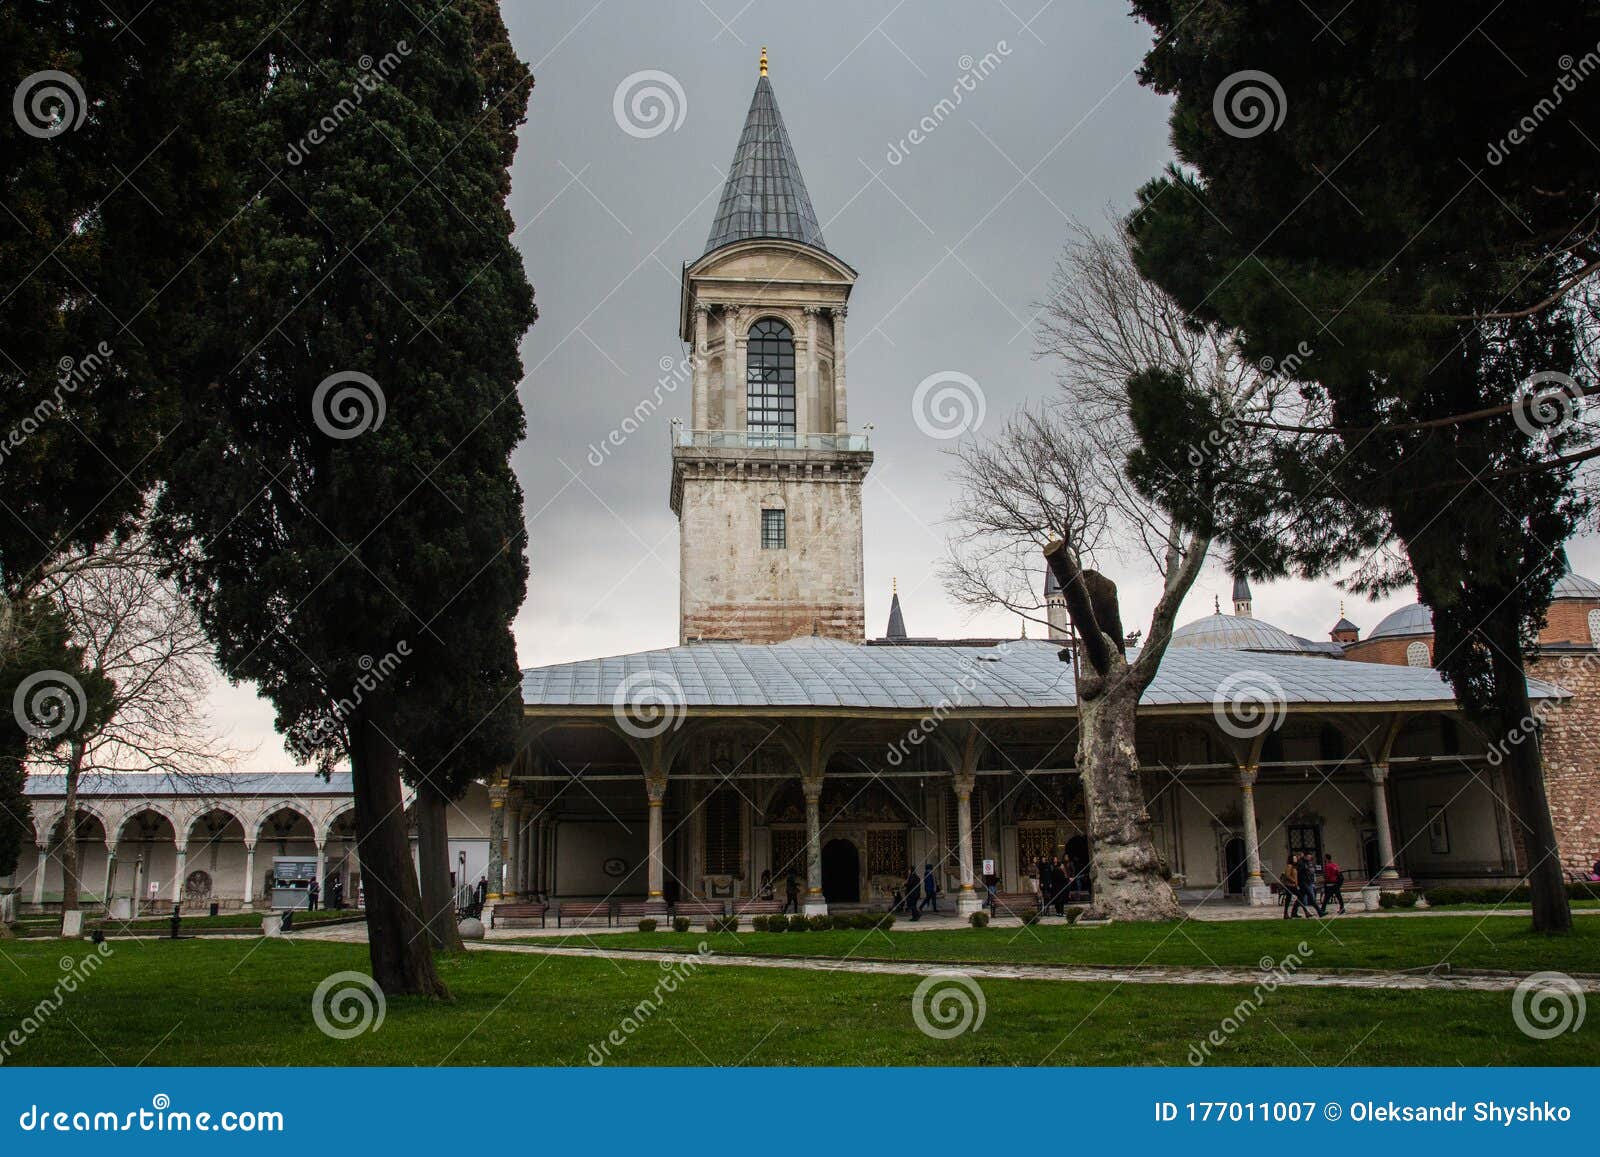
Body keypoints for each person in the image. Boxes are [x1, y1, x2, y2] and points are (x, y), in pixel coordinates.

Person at [1295, 851, 1324, 917]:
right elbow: (1299, 874)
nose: (1310, 858)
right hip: (1303, 883)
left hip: (1306, 882)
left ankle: (1294, 912)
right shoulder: (1301, 863)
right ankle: (1320, 912)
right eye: (1309, 856)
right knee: (1311, 897)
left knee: (1300, 899)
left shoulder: (1305, 863)